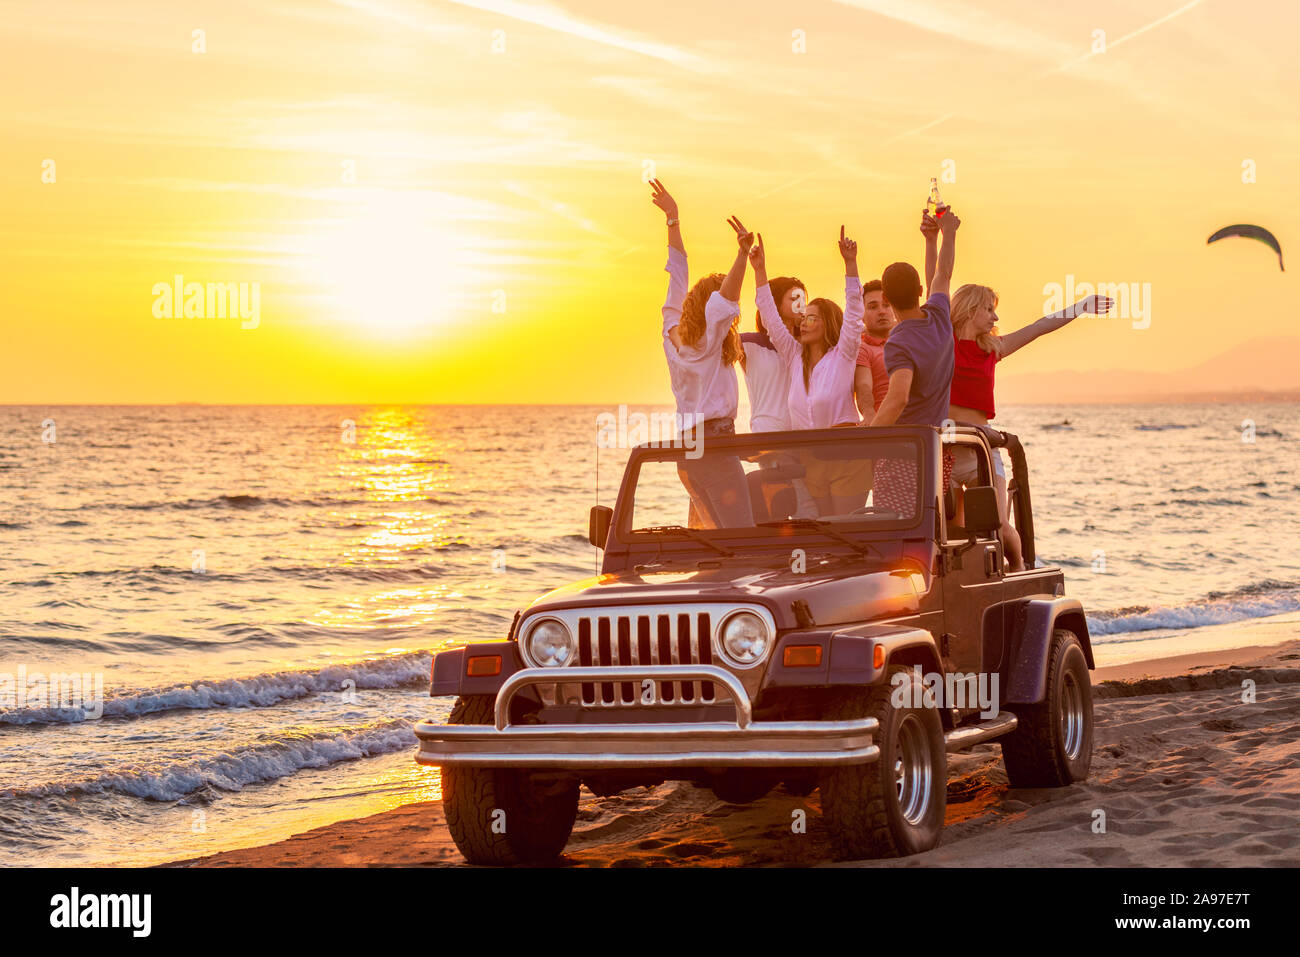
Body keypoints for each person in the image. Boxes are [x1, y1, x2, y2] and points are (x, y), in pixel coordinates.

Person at [946, 283, 1113, 569]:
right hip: (947, 452)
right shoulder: (942, 346)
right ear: (970, 310)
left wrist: (1080, 307)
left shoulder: (992, 349)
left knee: (995, 523)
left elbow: (1038, 327)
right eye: (989, 310)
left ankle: (1020, 567)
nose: (995, 318)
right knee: (952, 529)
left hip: (981, 454)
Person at [651, 178, 753, 528]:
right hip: (716, 446)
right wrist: (742, 255)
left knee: (713, 539)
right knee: (739, 535)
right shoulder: (710, 340)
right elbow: (725, 300)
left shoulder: (671, 330)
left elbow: (677, 270)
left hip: (688, 452)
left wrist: (672, 218)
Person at [752, 227, 867, 514]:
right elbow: (770, 317)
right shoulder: (794, 356)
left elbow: (854, 313)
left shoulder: (844, 354)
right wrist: (759, 270)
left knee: (845, 533)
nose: (803, 322)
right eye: (804, 317)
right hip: (809, 460)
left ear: (827, 323)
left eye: (812, 318)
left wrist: (850, 264)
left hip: (847, 458)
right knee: (823, 535)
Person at [868, 208, 960, 518]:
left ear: (888, 300)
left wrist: (865, 442)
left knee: (893, 531)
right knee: (927, 528)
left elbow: (899, 397)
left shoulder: (898, 342)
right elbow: (943, 273)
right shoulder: (938, 317)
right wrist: (942, 236)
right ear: (921, 292)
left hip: (903, 455)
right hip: (936, 452)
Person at [740, 275, 807, 433]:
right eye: (794, 299)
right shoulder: (749, 343)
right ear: (774, 302)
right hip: (767, 436)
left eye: (803, 299)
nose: (802, 305)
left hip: (804, 437)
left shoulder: (808, 347)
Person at [853, 280, 896, 419]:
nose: (882, 312)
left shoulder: (906, 340)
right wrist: (868, 413)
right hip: (885, 425)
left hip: (918, 423)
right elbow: (863, 386)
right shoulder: (862, 348)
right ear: (861, 315)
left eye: (886, 305)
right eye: (873, 307)